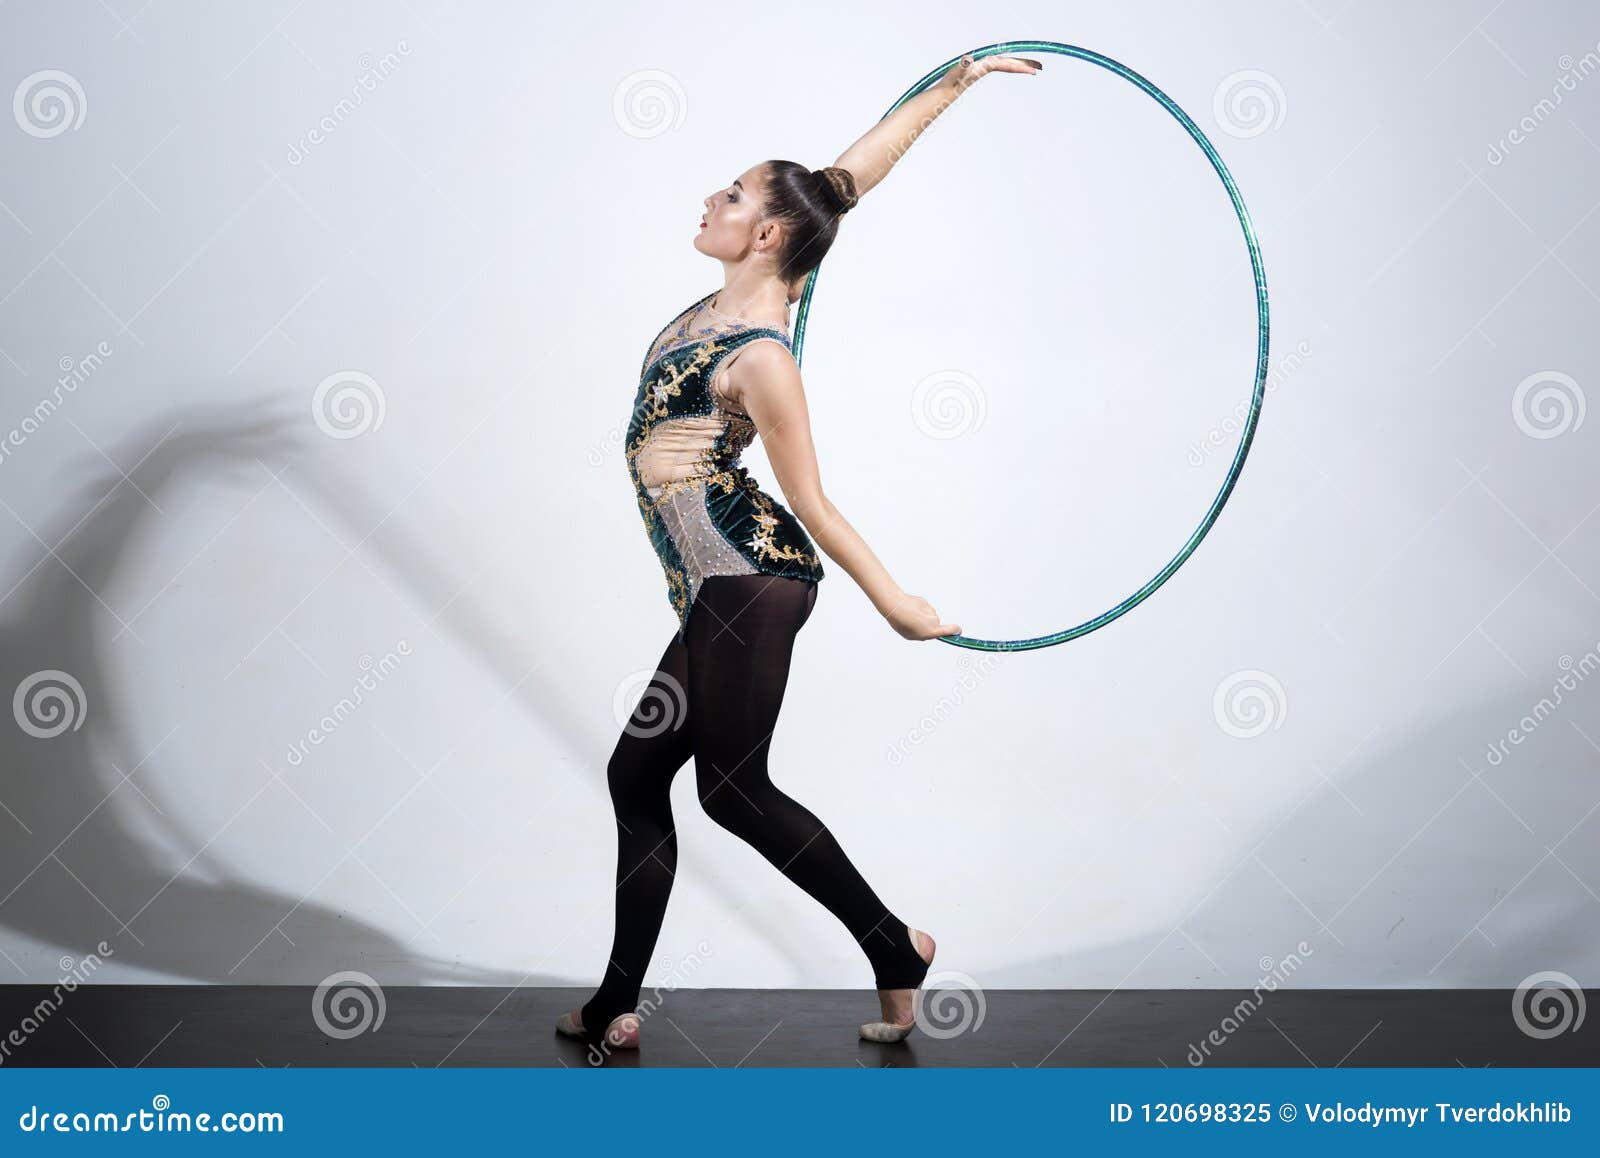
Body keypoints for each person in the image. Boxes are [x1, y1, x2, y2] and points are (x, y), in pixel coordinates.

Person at [558, 51, 1043, 1054]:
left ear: (765, 234)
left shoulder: (762, 356)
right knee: (639, 776)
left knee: (727, 789)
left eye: (730, 194)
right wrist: (953, 85)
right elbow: (843, 182)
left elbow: (812, 501)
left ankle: (887, 946)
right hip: (717, 587)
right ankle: (635, 995)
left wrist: (896, 602)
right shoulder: (742, 289)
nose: (710, 199)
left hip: (753, 576)